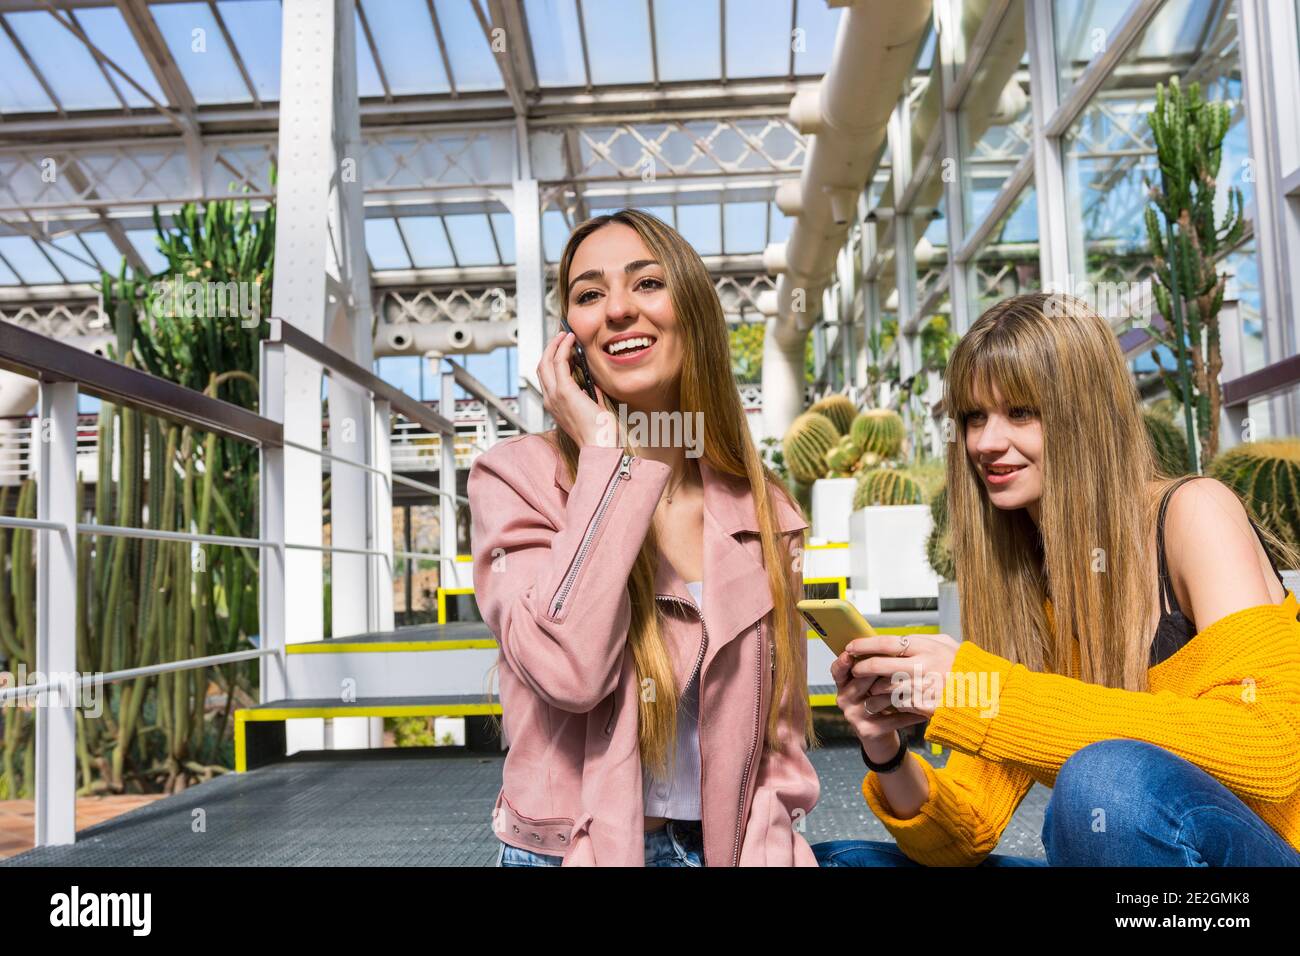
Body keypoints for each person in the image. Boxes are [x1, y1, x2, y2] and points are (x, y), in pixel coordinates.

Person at [813, 292, 1300, 867]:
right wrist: (884, 750)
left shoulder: (1193, 513)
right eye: (974, 417)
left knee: (1106, 782)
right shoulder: (1023, 576)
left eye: (1021, 412)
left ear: (1087, 414)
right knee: (840, 861)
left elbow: (1266, 747)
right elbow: (967, 832)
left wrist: (986, 693)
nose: (986, 442)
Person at [468, 208, 819, 866]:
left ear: (691, 309)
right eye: (589, 295)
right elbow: (570, 674)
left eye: (647, 283)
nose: (618, 310)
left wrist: (774, 836)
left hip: (732, 850)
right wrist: (606, 456)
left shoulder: (764, 507)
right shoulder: (513, 479)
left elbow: (782, 731)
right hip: (571, 852)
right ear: (570, 339)